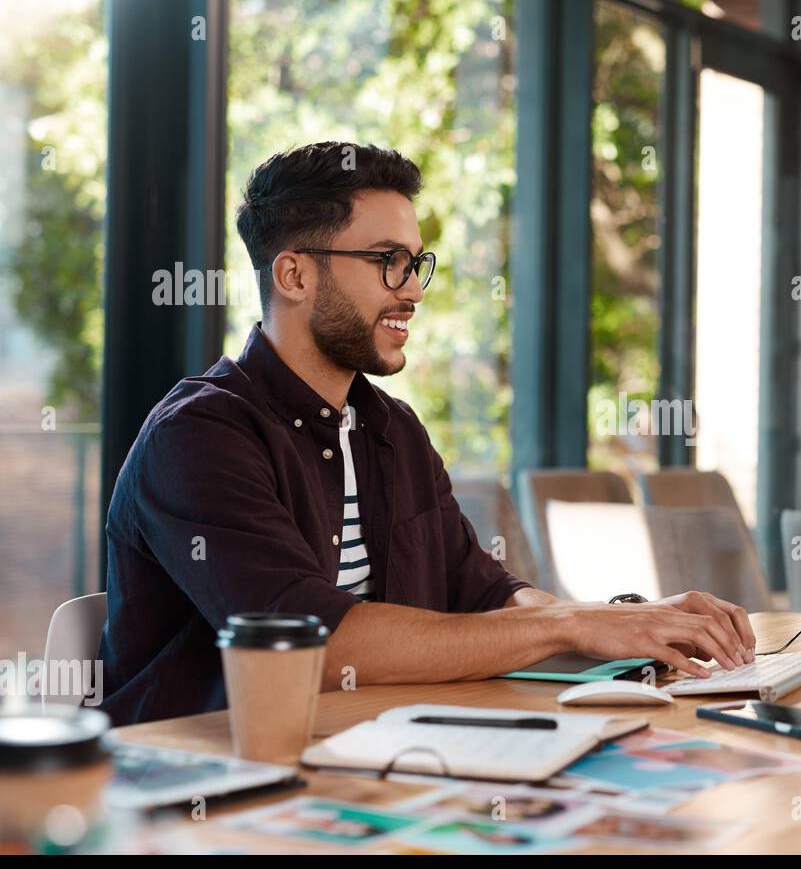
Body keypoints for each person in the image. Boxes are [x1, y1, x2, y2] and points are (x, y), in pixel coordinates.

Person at [98, 142, 754, 726]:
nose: (412, 289)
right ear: (294, 275)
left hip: (372, 753)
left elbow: (484, 592)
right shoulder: (199, 438)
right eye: (387, 261)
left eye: (415, 263)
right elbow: (319, 645)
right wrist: (570, 622)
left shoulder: (394, 429)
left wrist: (631, 625)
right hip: (203, 785)